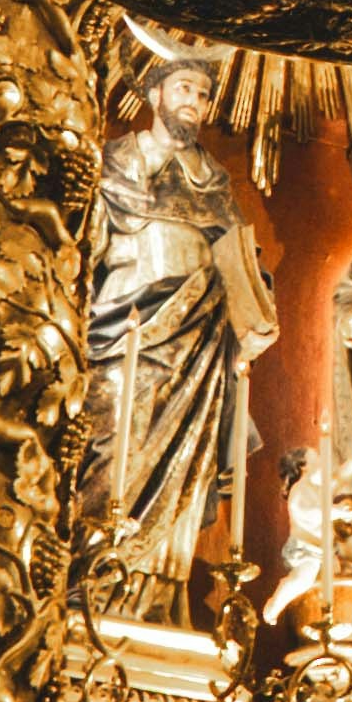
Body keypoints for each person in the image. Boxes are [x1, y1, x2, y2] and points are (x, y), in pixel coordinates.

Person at [85, 55, 274, 618]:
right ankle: (92, 583)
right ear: (155, 93)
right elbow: (82, 251)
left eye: (206, 94)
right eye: (185, 87)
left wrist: (254, 312)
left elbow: (240, 263)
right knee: (109, 452)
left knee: (183, 477)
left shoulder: (214, 184)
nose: (196, 101)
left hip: (197, 353)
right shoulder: (115, 164)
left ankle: (158, 600)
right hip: (121, 341)